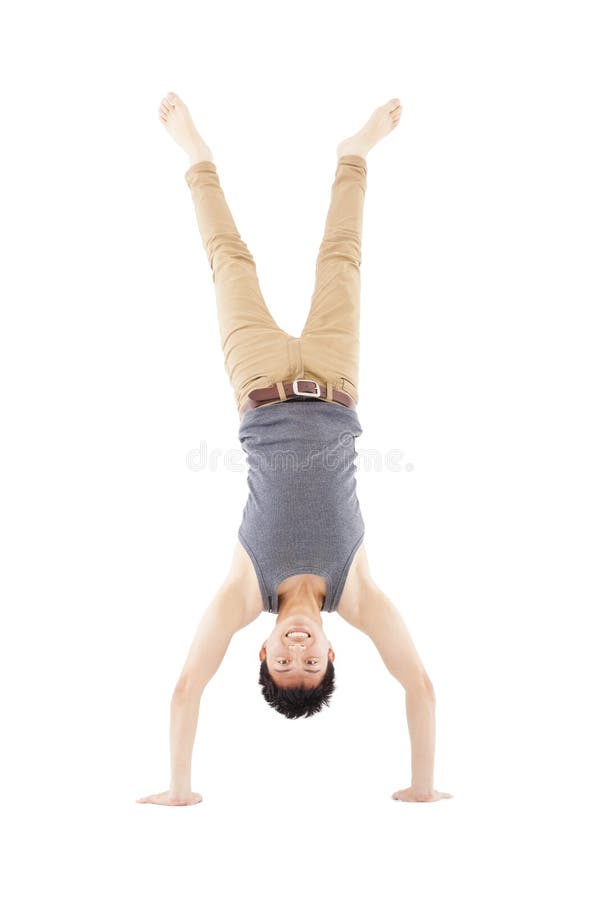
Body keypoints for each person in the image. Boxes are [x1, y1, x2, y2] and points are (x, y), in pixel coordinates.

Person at [136, 93, 452, 806]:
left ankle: (198, 156)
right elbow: (419, 685)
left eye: (285, 662)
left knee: (229, 262)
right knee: (343, 259)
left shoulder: (244, 591)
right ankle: (354, 154)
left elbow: (187, 687)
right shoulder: (357, 593)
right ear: (333, 651)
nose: (299, 650)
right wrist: (423, 788)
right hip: (336, 381)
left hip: (256, 382)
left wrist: (180, 791)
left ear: (265, 649)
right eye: (312, 663)